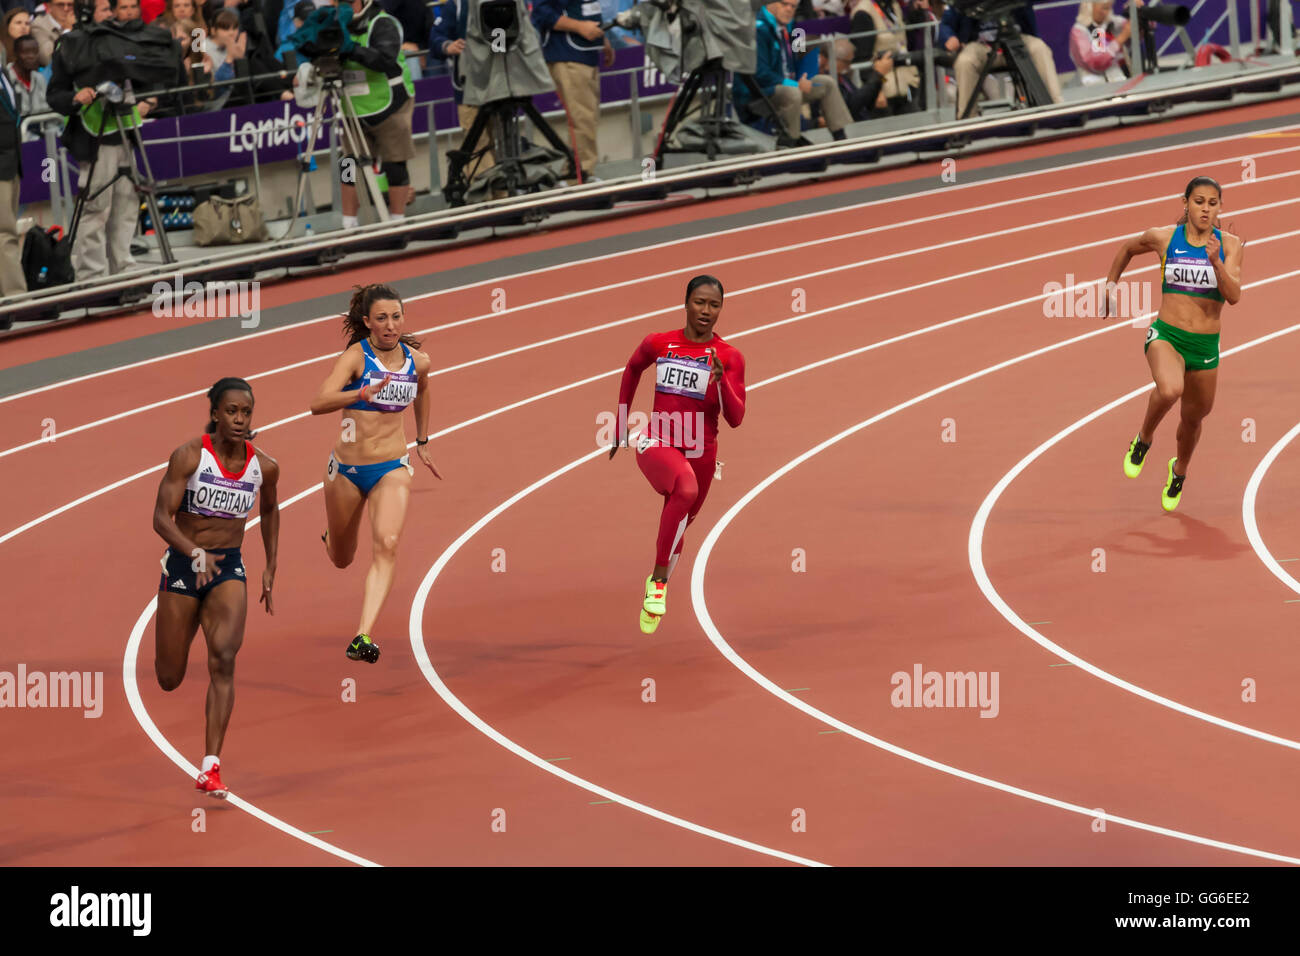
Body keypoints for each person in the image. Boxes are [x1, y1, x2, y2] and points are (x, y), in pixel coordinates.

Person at [151, 378, 280, 797]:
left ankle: (211, 766)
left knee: (224, 658)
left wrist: (270, 566)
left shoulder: (265, 466)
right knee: (169, 677)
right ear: (215, 413)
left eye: (246, 412)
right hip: (185, 570)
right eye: (231, 411)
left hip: (228, 569)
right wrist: (192, 553)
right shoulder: (189, 457)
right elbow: (160, 518)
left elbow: (271, 508)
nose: (240, 419)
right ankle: (186, 621)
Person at [311, 284, 441, 663]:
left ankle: (361, 635)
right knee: (342, 557)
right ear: (367, 322)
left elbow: (423, 390)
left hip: (392, 466)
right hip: (347, 471)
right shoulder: (355, 358)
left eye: (396, 317)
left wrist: (422, 439)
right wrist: (358, 395)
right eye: (381, 318)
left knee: (386, 544)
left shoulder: (419, 362)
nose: (390, 325)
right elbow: (317, 402)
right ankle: (331, 537)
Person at [611, 275, 746, 634]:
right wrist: (622, 420)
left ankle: (658, 585)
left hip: (702, 451)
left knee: (681, 522)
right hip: (657, 442)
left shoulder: (730, 357)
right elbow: (632, 368)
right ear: (686, 303)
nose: (706, 311)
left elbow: (736, 419)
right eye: (700, 302)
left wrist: (722, 382)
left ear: (721, 309)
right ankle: (658, 583)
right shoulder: (659, 343)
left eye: (714, 305)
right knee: (684, 491)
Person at [1107, 176, 1244, 511]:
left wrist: (1215, 263)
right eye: (1199, 202)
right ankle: (1143, 440)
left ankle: (1179, 470)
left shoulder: (1229, 246)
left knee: (1194, 419)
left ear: (1219, 208)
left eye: (1212, 203)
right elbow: (1127, 248)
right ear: (1185, 204)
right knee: (1169, 390)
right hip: (1167, 335)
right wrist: (1111, 285)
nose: (1205, 209)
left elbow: (1234, 296)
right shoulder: (1165, 238)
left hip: (1205, 348)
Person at [338, 0, 416, 225]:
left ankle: (397, 219)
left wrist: (351, 49)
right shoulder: (334, 26)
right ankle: (348, 222)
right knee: (348, 163)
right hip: (353, 108)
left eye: (350, 3)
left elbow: (384, 59)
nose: (345, 8)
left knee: (395, 162)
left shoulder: (383, 23)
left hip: (391, 104)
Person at [735, 0, 852, 145]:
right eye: (784, 4)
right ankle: (791, 140)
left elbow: (799, 56)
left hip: (787, 84)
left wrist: (805, 77)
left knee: (826, 83)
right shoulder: (757, 29)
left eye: (793, 6)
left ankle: (840, 137)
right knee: (792, 92)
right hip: (759, 93)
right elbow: (760, 74)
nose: (789, 9)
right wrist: (794, 84)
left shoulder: (792, 27)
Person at [532, 0, 613, 182]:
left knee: (588, 118)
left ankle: (575, 172)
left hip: (588, 52)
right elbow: (541, 13)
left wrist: (603, 40)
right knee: (581, 118)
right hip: (567, 54)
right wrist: (579, 27)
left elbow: (585, 9)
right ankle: (580, 175)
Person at [939, 0, 1062, 118]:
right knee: (965, 61)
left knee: (1039, 48)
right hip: (981, 46)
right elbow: (946, 23)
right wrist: (949, 37)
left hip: (1016, 40)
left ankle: (1056, 107)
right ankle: (968, 119)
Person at [0, 56, 25, 302]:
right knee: (4, 232)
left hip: (12, 163)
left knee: (8, 231)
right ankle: (16, 295)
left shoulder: (4, 74)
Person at [1068, 0, 1130, 85]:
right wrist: (1120, 39)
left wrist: (1134, 11)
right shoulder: (1081, 31)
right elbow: (1098, 61)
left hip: (1118, 82)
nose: (1106, 12)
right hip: (1095, 86)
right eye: (1104, 8)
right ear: (1089, 7)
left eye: (1109, 8)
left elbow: (1132, 26)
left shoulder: (1109, 23)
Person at [32, 0, 77, 68]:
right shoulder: (39, 26)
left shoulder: (80, 22)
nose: (66, 8)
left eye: (70, 5)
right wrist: (67, 31)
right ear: (49, 6)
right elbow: (48, 59)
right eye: (60, 4)